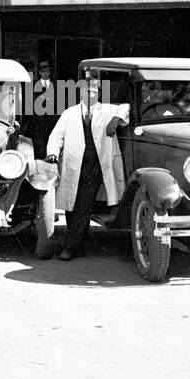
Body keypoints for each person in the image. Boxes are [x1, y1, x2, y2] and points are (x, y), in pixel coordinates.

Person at [45, 72, 129, 261]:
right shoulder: (70, 113)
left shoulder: (108, 110)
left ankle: (69, 248)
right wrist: (52, 152)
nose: (90, 94)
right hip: (73, 166)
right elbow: (56, 135)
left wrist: (116, 119)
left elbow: (127, 107)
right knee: (70, 207)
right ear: (80, 92)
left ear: (99, 92)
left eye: (94, 90)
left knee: (83, 205)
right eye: (86, 90)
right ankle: (80, 245)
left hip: (96, 166)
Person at [25, 60, 59, 158]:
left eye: (47, 71)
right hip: (37, 124)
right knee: (38, 150)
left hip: (51, 123)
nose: (45, 73)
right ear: (39, 72)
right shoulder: (32, 86)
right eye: (43, 71)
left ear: (50, 72)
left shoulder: (56, 86)